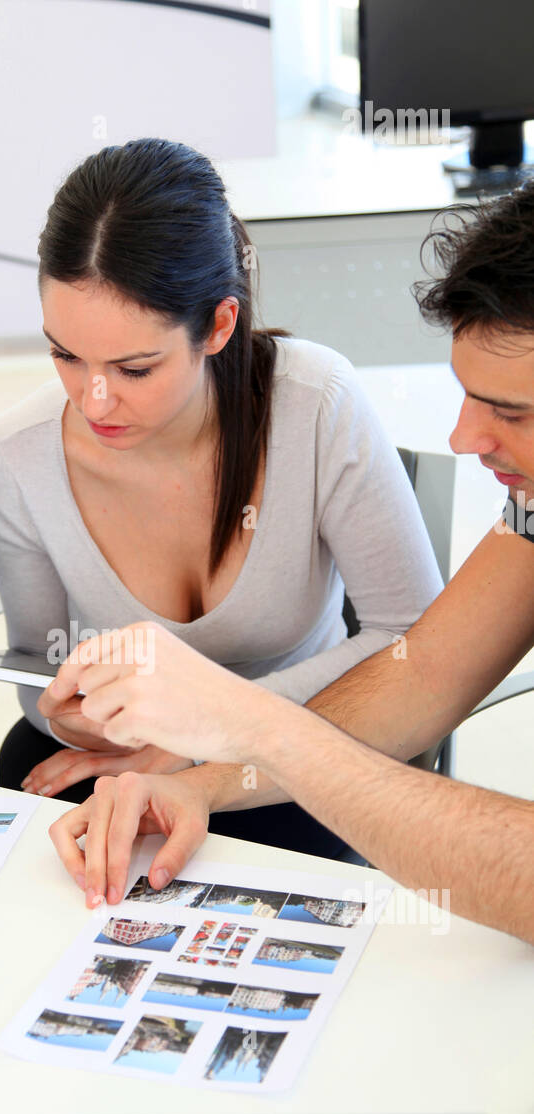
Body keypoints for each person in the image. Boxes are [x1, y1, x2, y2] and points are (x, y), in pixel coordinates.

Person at [44, 184, 534, 941]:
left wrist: (247, 722)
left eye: (512, 412)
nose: (464, 438)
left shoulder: (313, 399)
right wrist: (202, 785)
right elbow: (425, 671)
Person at [0, 137, 442, 859]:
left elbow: (407, 638)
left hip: (305, 750)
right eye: (65, 354)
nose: (94, 400)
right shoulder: (14, 460)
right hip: (134, 756)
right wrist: (71, 718)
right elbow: (35, 662)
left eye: (134, 367)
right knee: (29, 782)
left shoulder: (317, 405)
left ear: (219, 326)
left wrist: (202, 747)